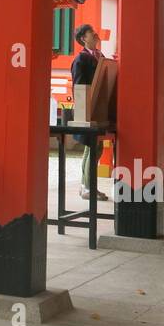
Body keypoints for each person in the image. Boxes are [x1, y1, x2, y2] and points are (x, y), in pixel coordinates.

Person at [70, 24, 107, 201]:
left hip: (99, 107)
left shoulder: (100, 56)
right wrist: (82, 111)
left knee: (94, 146)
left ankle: (88, 186)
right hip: (87, 107)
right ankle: (87, 187)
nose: (95, 33)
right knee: (92, 146)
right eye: (90, 32)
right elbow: (78, 87)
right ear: (83, 38)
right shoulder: (81, 60)